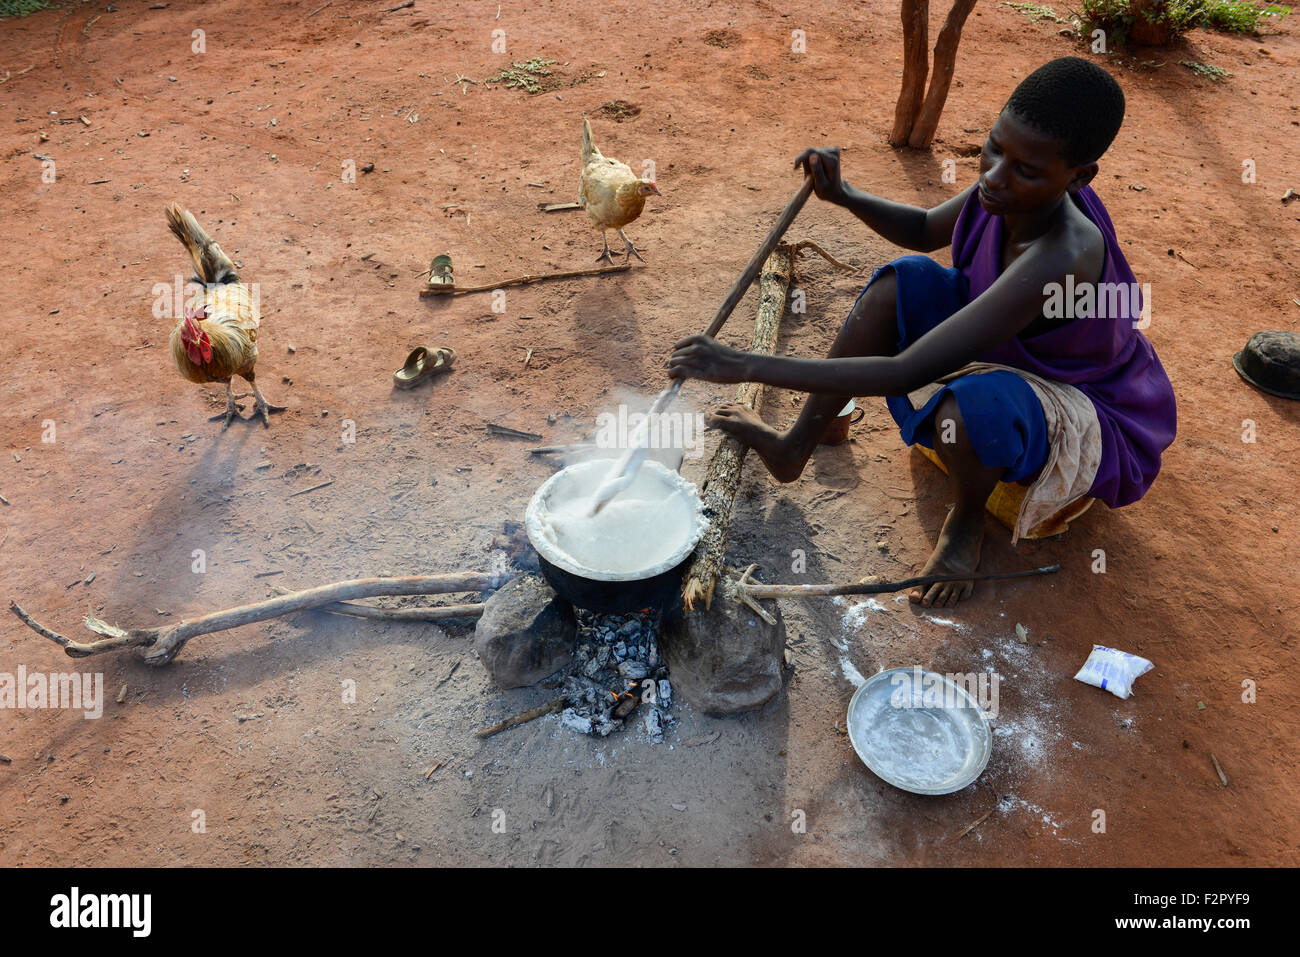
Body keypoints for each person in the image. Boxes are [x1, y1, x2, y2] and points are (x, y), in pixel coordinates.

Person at [668, 57, 1177, 608]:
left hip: (1077, 397)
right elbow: (923, 229)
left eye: (1026, 169)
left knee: (973, 409)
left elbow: (904, 371)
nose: (995, 175)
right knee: (901, 284)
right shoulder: (1005, 191)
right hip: (1003, 342)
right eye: (993, 147)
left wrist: (742, 364)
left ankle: (965, 524)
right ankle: (794, 447)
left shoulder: (1062, 254)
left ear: (1079, 177)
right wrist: (843, 194)